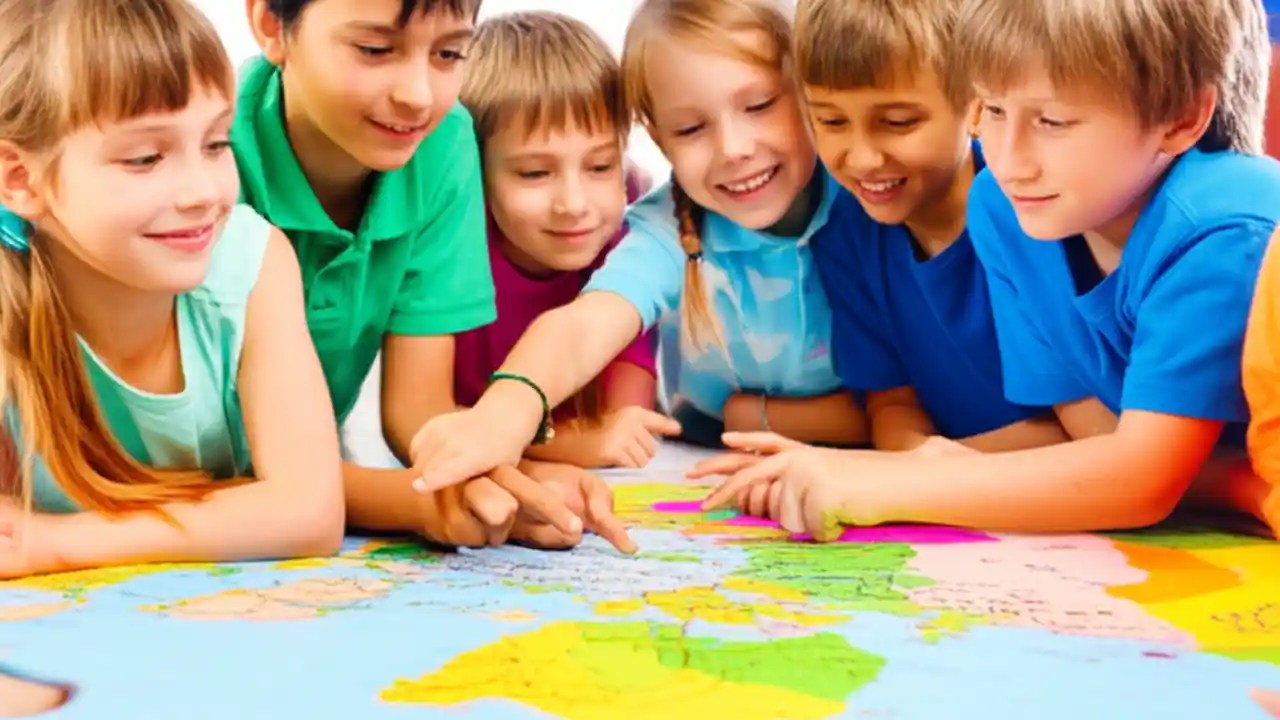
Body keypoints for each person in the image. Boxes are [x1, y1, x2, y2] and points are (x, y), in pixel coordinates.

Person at [700, 0, 1280, 540]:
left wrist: (893, 479)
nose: (1006, 160)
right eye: (994, 110)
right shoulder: (1004, 213)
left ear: (1180, 119)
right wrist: (1231, 484)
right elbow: (1100, 442)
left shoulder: (1225, 226)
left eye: (1052, 121)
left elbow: (1141, 483)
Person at [407, 0, 868, 492]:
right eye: (691, 129)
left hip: (861, 452)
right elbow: (590, 321)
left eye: (759, 106)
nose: (734, 148)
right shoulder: (665, 228)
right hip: (719, 454)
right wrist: (508, 410)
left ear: (808, 91)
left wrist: (760, 415)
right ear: (658, 138)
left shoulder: (866, 198)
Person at [235, 0, 606, 550]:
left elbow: (417, 412)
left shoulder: (442, 143)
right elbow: (195, 458)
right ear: (272, 24)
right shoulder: (203, 148)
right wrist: (419, 500)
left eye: (450, 53)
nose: (418, 95)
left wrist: (493, 474)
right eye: (375, 49)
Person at [0, 0, 345, 578]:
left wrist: (58, 543)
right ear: (21, 180)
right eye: (145, 157)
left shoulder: (251, 264)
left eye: (215, 144)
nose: (203, 191)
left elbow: (309, 509)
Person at [784, 0, 1066, 453]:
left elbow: (1087, 431)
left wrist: (930, 471)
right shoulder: (845, 236)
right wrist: (913, 460)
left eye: (897, 122)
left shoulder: (1031, 213)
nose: (862, 158)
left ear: (976, 106)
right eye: (831, 121)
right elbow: (891, 402)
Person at [454, 11, 663, 470]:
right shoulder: (449, 255)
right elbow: (429, 421)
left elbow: (626, 424)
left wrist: (510, 436)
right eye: (534, 173)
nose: (573, 203)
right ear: (474, 171)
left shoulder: (628, 254)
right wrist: (569, 442)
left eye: (601, 166)